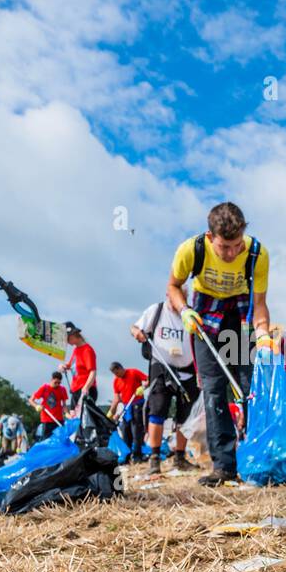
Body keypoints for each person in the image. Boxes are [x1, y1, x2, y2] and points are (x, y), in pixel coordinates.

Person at [168, 202, 273, 487]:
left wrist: (262, 335)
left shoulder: (256, 253)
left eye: (236, 245)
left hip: (238, 316)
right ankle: (224, 466)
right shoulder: (191, 250)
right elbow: (173, 287)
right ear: (209, 236)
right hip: (204, 316)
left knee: (249, 388)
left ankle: (261, 457)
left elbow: (260, 304)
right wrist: (184, 310)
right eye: (224, 247)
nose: (230, 254)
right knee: (214, 391)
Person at [131, 299, 199, 476]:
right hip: (161, 367)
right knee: (157, 411)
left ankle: (180, 457)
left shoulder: (190, 313)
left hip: (188, 370)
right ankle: (154, 459)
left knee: (186, 415)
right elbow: (134, 328)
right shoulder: (157, 310)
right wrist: (138, 333)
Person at [108, 361, 148, 462]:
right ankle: (127, 455)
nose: (116, 375)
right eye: (114, 374)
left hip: (137, 404)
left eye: (116, 373)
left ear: (120, 368)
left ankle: (138, 456)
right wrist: (111, 412)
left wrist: (142, 387)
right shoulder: (116, 381)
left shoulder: (133, 372)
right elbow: (116, 398)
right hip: (126, 407)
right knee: (125, 430)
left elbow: (148, 379)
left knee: (136, 431)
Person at [61, 324, 97, 417]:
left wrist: (86, 387)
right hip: (75, 389)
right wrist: (64, 366)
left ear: (73, 335)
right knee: (74, 417)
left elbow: (92, 371)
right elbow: (72, 365)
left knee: (84, 419)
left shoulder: (87, 350)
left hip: (85, 389)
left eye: (67, 338)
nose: (66, 341)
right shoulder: (76, 350)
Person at [31, 372, 68, 440]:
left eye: (59, 383)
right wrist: (36, 406)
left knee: (61, 440)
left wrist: (67, 413)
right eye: (55, 382)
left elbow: (64, 405)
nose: (57, 384)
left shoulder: (62, 389)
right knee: (46, 440)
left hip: (59, 420)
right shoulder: (44, 388)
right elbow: (31, 400)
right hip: (47, 420)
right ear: (51, 379)